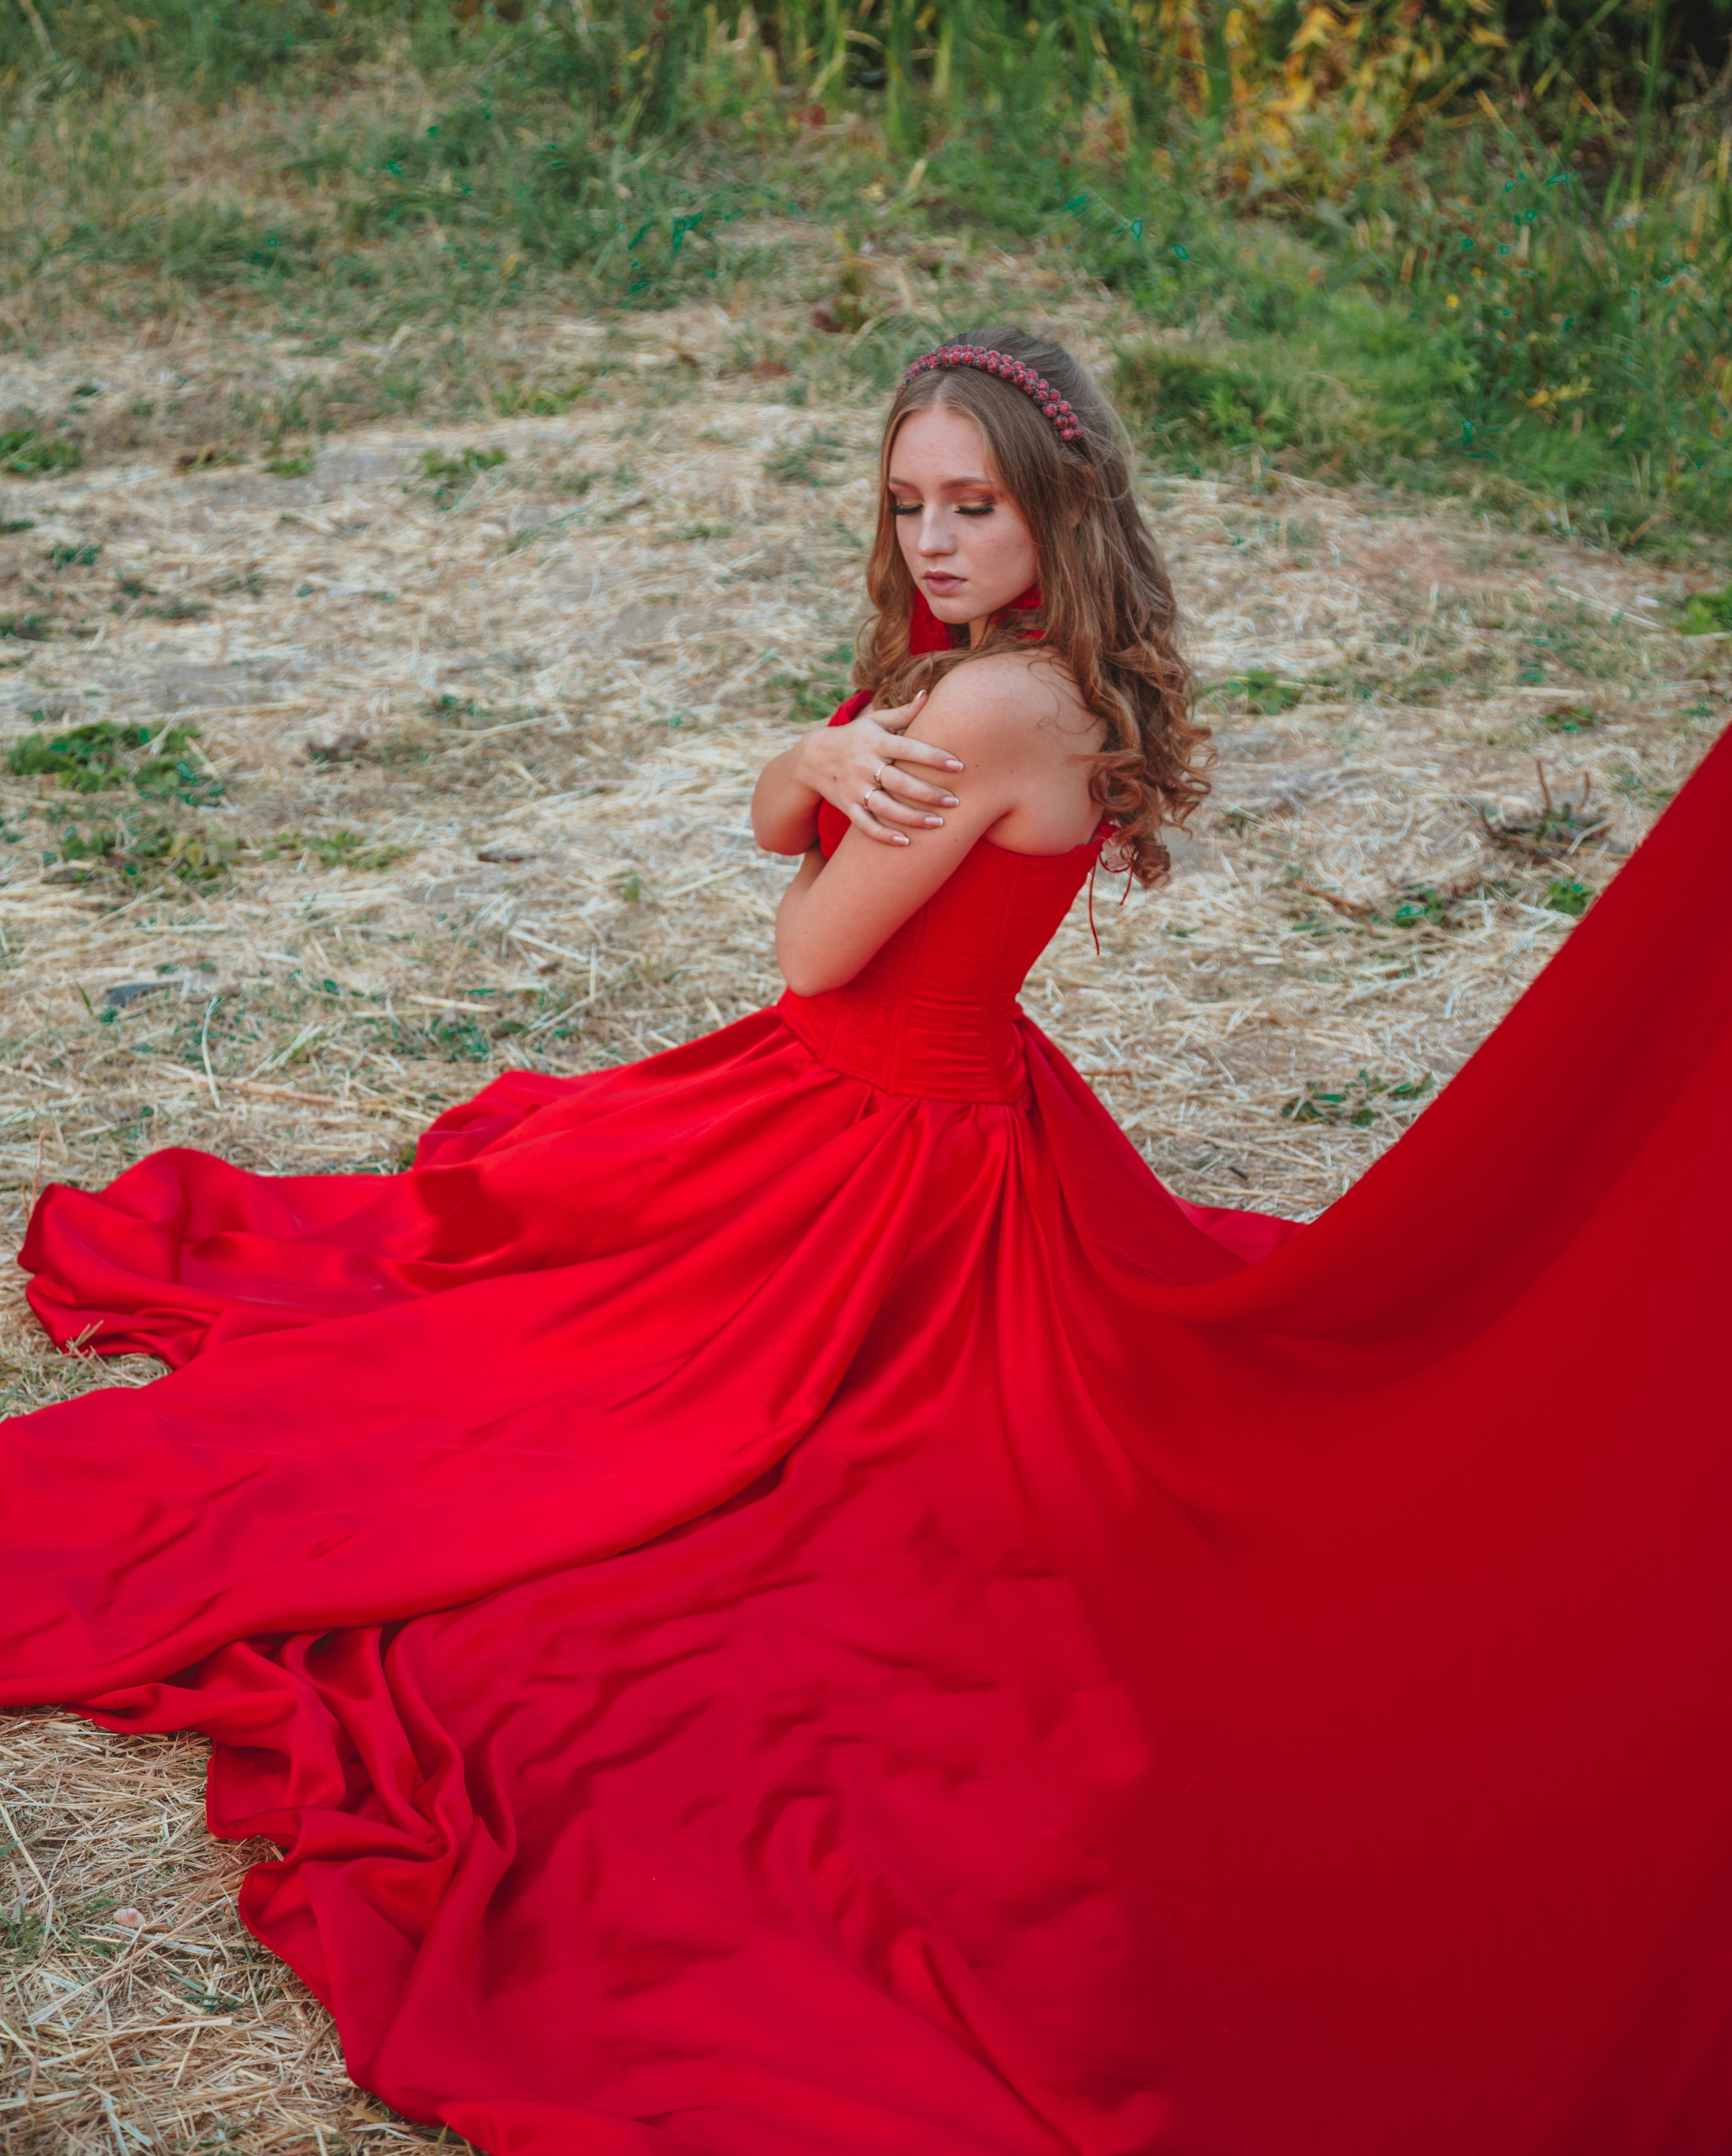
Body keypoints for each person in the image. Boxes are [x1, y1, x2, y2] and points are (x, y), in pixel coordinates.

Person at [3, 328, 1732, 2156]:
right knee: (532, 1256)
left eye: (972, 507)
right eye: (909, 504)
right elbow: (779, 819)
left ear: (1057, 506)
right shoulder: (1002, 675)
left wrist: (836, 769)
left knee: (609, 1458)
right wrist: (817, 745)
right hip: (897, 1098)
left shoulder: (991, 709)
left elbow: (812, 949)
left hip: (885, 1138)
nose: (932, 540)